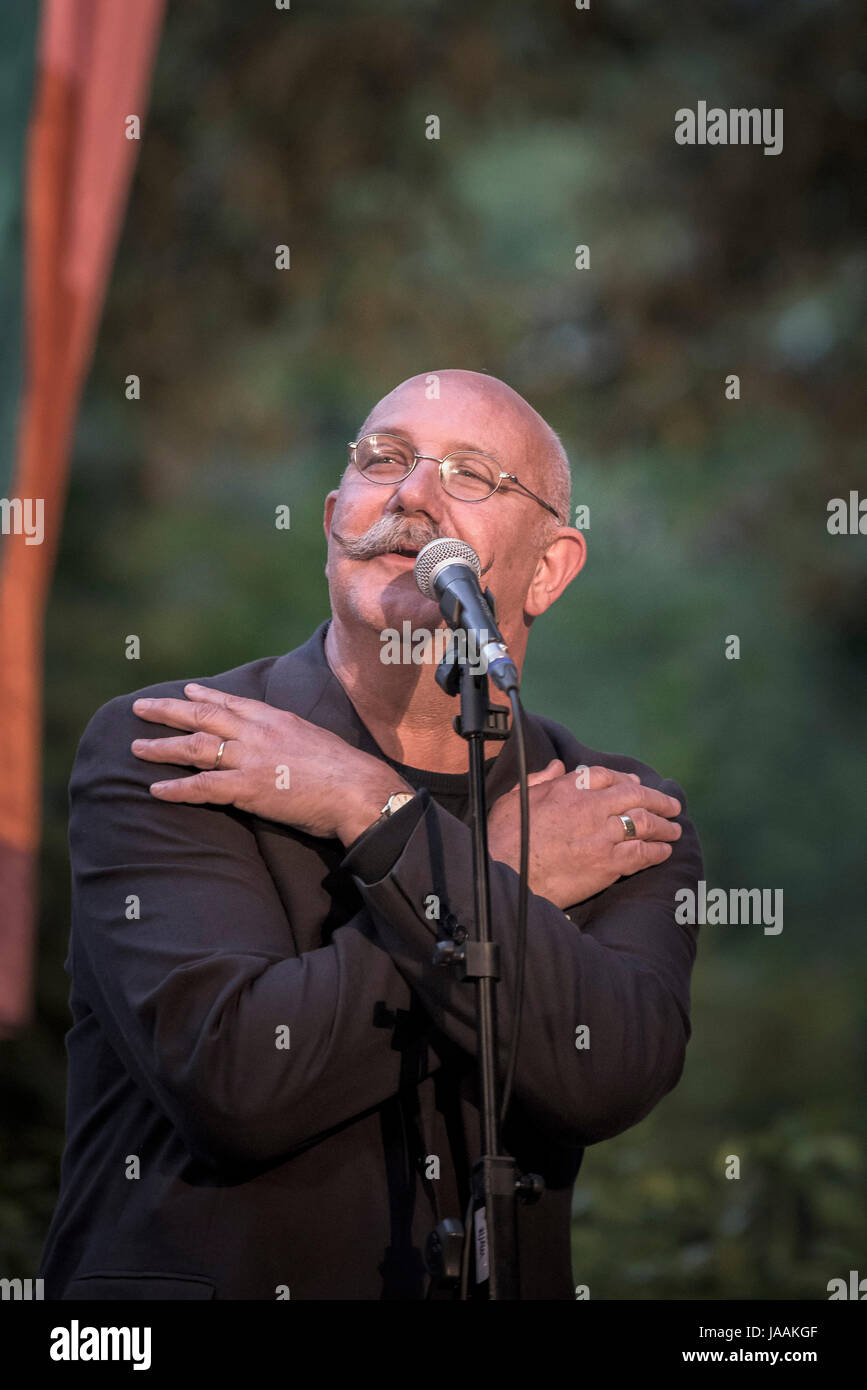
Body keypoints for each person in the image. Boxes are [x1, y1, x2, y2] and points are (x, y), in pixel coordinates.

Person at [39, 369, 702, 1300]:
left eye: (471, 475)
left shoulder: (611, 813)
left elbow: (611, 1074)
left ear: (549, 568)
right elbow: (236, 1080)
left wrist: (372, 812)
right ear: (332, 519)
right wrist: (493, 871)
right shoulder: (177, 745)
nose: (412, 493)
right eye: (383, 459)